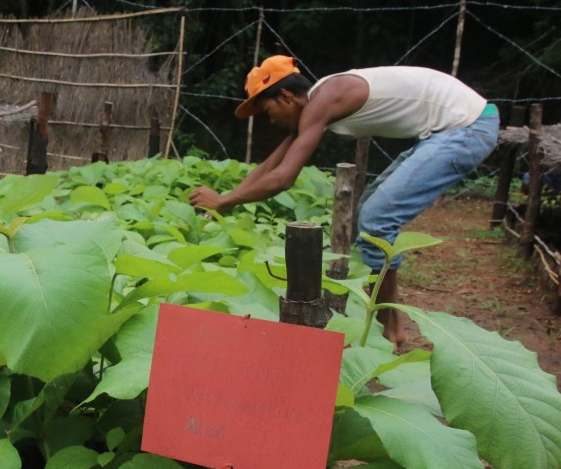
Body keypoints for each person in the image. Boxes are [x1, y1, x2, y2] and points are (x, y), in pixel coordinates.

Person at [189, 55, 500, 347]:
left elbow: (284, 177)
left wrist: (225, 200)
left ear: (285, 97)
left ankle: (389, 326)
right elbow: (271, 165)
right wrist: (225, 200)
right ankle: (389, 322)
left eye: (268, 112)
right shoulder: (318, 103)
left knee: (377, 220)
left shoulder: (324, 99)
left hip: (467, 127)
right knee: (370, 215)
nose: (270, 121)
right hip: (446, 130)